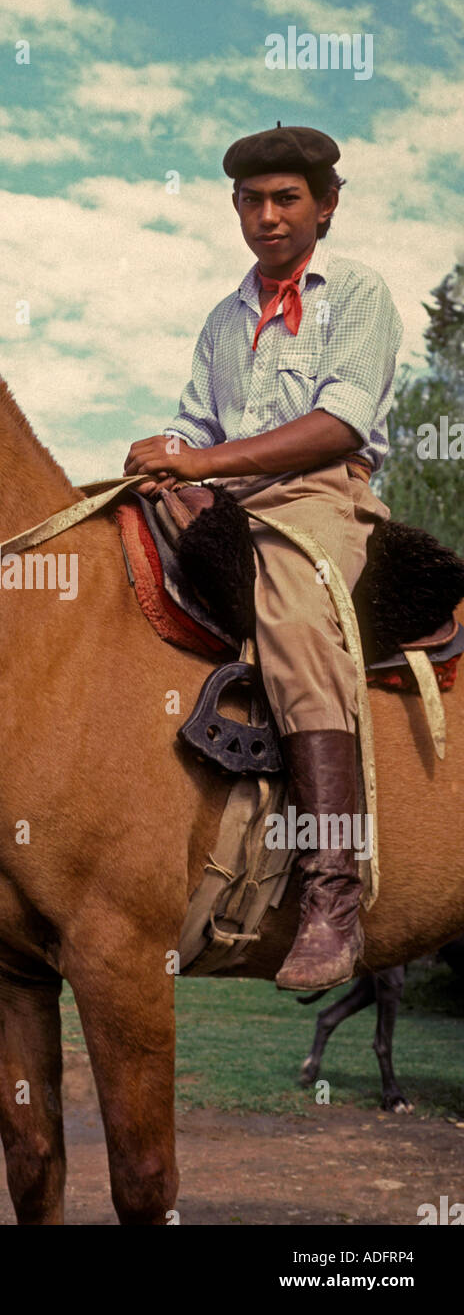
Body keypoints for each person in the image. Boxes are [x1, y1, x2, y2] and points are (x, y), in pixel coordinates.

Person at [124, 124, 402, 992]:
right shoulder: (224, 318)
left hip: (321, 497)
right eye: (252, 200)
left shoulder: (358, 295)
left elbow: (341, 423)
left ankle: (332, 894)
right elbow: (195, 427)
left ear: (326, 206)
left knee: (291, 615)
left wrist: (200, 462)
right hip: (233, 496)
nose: (268, 215)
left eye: (287, 199)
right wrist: (163, 451)